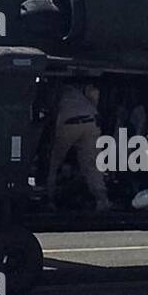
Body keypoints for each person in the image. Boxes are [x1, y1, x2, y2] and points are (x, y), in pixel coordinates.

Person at [47, 82, 110, 211]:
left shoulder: (56, 87)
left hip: (68, 122)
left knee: (53, 162)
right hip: (91, 121)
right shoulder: (81, 88)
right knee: (92, 164)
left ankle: (49, 199)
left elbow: (50, 110)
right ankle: (102, 200)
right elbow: (95, 96)